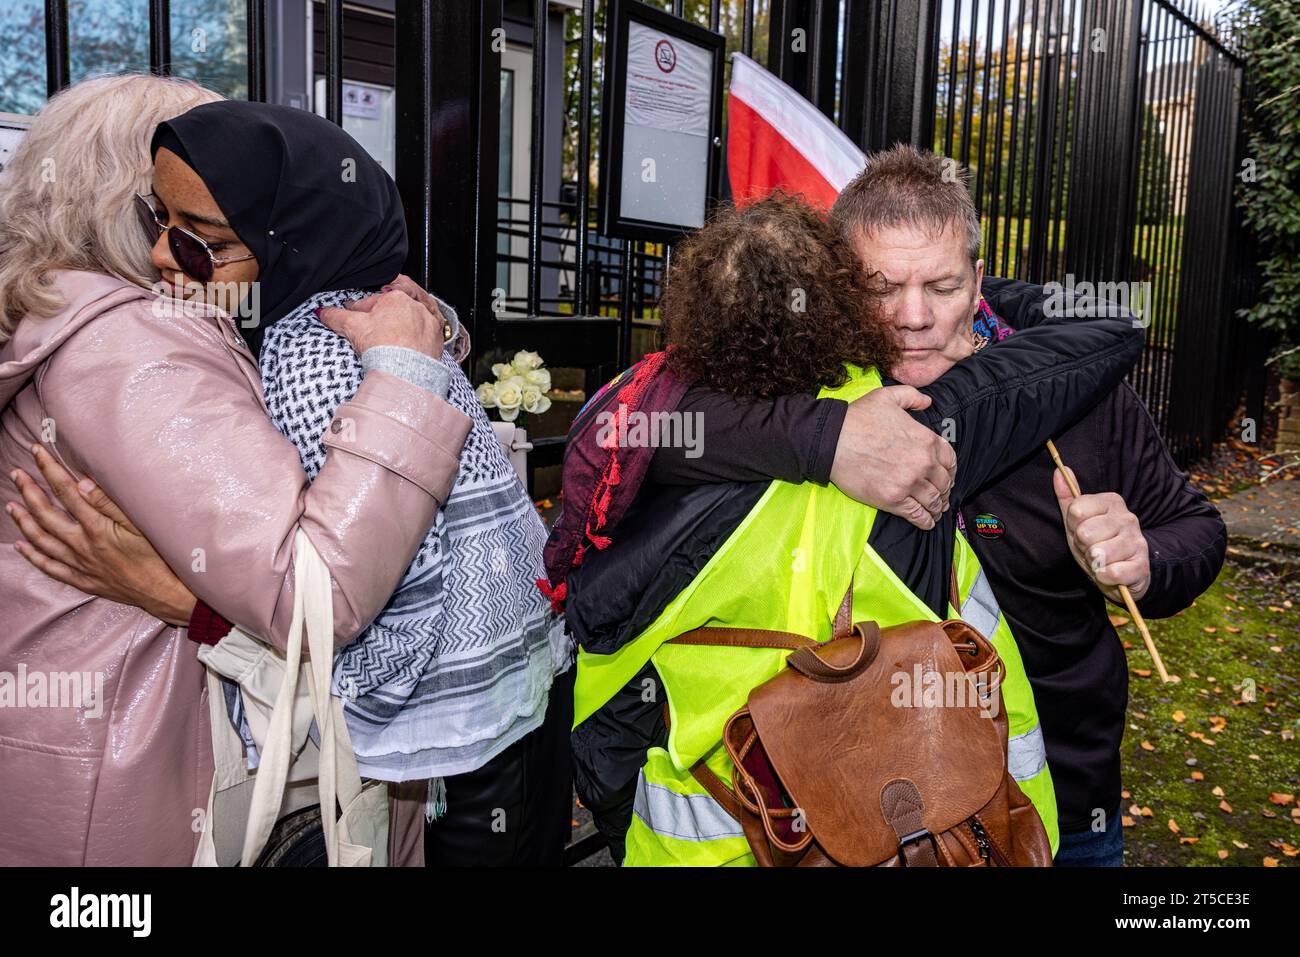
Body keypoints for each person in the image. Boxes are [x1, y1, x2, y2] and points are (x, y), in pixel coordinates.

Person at [7, 100, 574, 866]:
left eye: (203, 240)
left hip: (457, 728)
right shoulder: (158, 343)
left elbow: (348, 603)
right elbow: (330, 588)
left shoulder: (295, 343)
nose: (168, 257)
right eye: (156, 219)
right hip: (483, 705)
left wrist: (190, 601)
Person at [547, 193, 1145, 865]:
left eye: (938, 288)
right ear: (845, 308)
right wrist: (964, 287)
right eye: (882, 289)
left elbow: (610, 713)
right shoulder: (917, 430)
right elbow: (1109, 327)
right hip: (909, 830)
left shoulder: (646, 453)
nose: (912, 315)